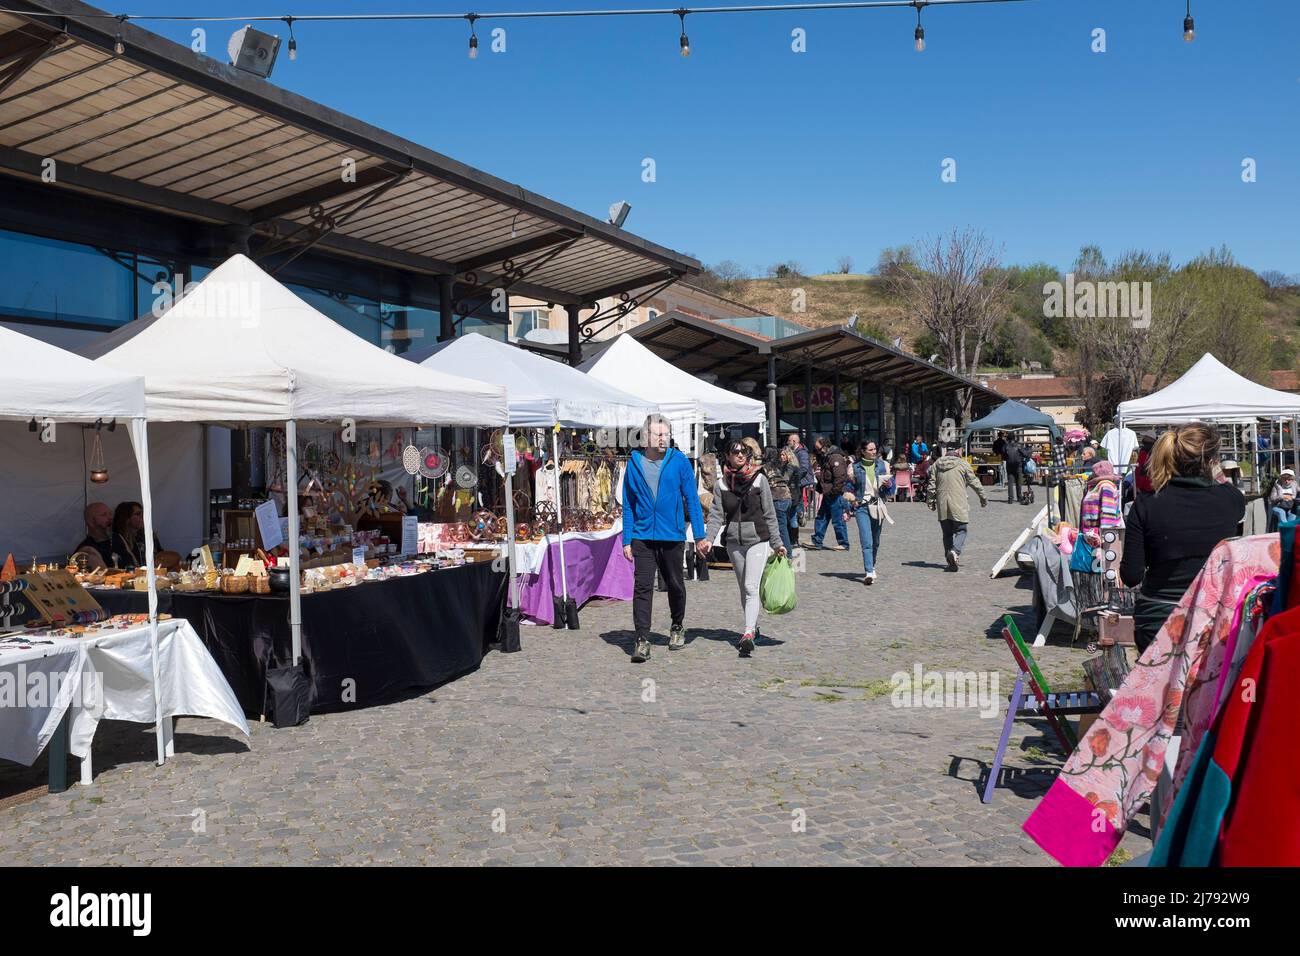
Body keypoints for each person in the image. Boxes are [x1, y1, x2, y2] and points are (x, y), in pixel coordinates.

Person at [1120, 423, 1245, 654]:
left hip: (1158, 619)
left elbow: (1130, 575)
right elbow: (1235, 560)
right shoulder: (1233, 500)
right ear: (1213, 460)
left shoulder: (1146, 504)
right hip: (1215, 620)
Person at [622, 414, 706, 662]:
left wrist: (699, 535)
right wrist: (627, 539)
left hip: (672, 535)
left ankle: (677, 625)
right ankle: (641, 639)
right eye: (658, 434)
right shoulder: (634, 463)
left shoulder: (679, 461)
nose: (663, 438)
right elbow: (628, 505)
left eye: (666, 434)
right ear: (645, 437)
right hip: (643, 535)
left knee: (675, 584)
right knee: (643, 587)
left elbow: (692, 498)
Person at [705, 439, 786, 656]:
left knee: (751, 586)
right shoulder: (722, 485)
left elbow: (770, 514)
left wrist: (778, 543)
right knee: (744, 588)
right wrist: (707, 539)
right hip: (733, 543)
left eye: (744, 452)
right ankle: (754, 626)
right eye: (735, 452)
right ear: (728, 456)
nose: (740, 455)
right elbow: (715, 517)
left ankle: (748, 633)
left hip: (758, 540)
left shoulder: (760, 480)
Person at [924, 445, 987, 571]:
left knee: (947, 534)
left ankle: (950, 561)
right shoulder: (963, 464)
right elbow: (974, 482)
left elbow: (931, 485)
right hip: (958, 503)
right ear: (958, 451)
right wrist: (983, 497)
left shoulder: (936, 464)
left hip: (943, 505)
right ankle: (955, 551)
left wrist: (930, 501)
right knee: (961, 530)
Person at [844, 439, 889, 585]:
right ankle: (868, 571)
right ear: (863, 451)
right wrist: (848, 507)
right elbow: (848, 488)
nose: (874, 452)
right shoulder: (854, 467)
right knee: (866, 540)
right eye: (870, 449)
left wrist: (888, 485)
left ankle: (872, 564)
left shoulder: (883, 466)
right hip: (861, 506)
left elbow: (890, 490)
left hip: (877, 505)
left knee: (875, 540)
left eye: (875, 449)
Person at [810, 435, 850, 550]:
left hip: (834, 494)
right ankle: (817, 540)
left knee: (838, 520)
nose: (818, 451)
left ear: (824, 445)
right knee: (821, 517)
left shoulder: (835, 457)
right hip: (828, 492)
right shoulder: (826, 457)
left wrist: (834, 491)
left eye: (818, 448)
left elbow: (840, 477)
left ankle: (843, 543)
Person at [762, 445, 798, 553]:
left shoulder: (765, 467)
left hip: (777, 498)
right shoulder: (780, 466)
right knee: (784, 526)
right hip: (786, 497)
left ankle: (788, 554)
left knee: (781, 528)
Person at [74, 501, 118, 570]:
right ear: (90, 521)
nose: (110, 518)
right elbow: (103, 576)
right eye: (104, 515)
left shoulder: (118, 539)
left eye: (110, 514)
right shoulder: (87, 549)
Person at [786, 433, 814, 532]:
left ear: (794, 441)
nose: (787, 442)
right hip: (797, 479)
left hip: (801, 479)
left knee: (797, 498)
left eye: (789, 441)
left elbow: (804, 468)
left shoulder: (802, 453)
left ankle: (800, 513)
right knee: (797, 498)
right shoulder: (793, 451)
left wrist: (794, 478)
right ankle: (800, 514)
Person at [1003, 433, 1025, 504]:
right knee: (1018, 482)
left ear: (1008, 438)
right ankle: (1019, 497)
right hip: (1018, 465)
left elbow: (1003, 453)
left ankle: (1010, 499)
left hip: (1009, 465)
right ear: (1014, 438)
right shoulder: (1018, 445)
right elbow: (1024, 453)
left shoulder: (1005, 445)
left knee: (1010, 482)